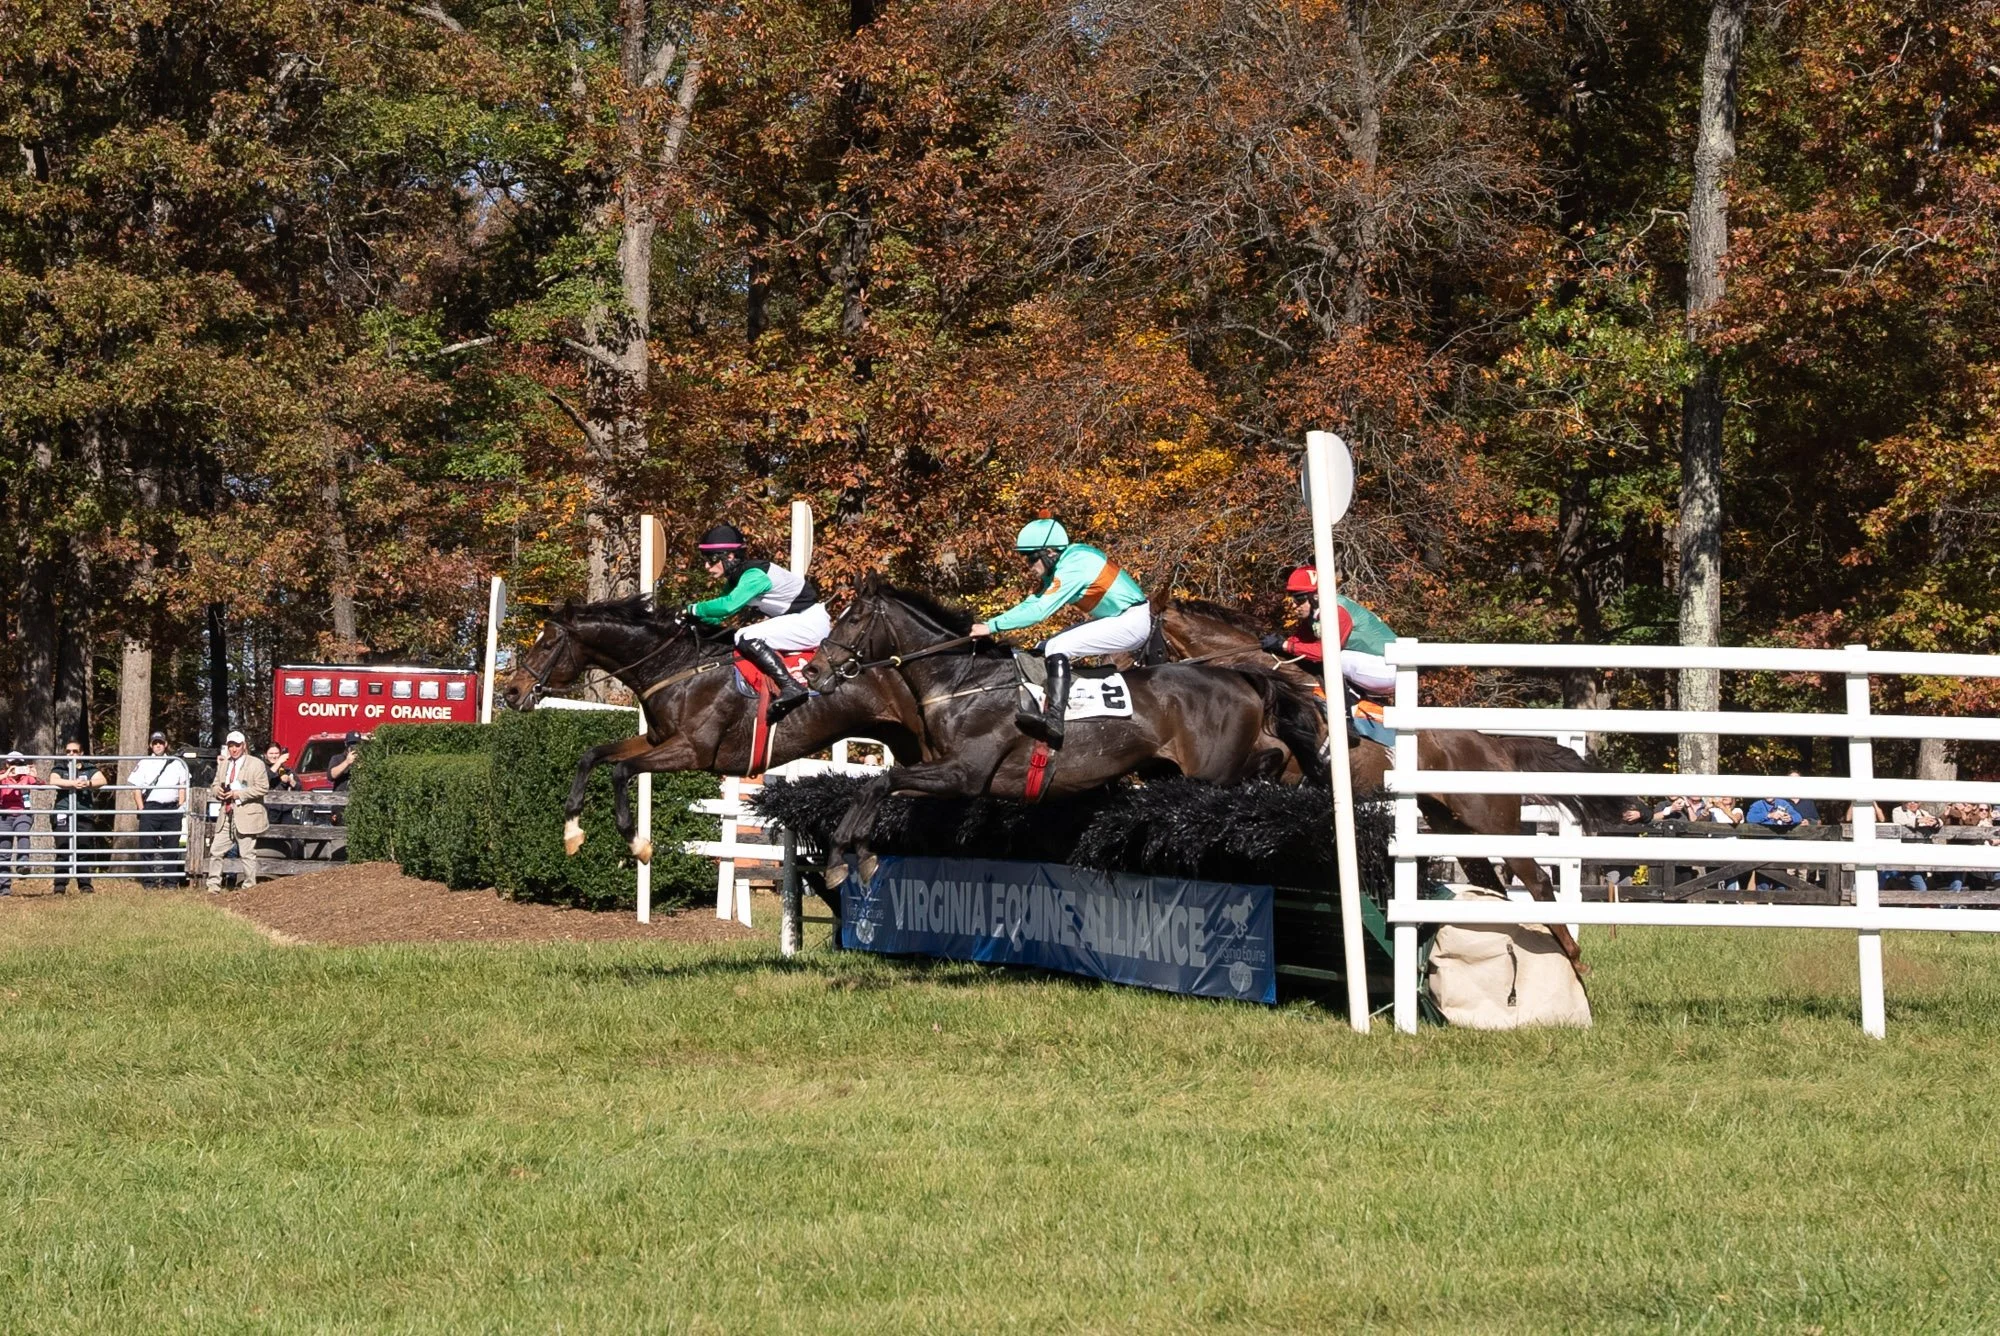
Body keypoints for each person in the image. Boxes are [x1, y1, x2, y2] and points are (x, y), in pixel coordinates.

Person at [968, 518, 1151, 745]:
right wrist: (990, 622)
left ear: (1050, 552)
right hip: (1119, 618)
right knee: (1043, 647)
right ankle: (1046, 702)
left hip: (1131, 621)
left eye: (1032, 557)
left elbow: (1039, 611)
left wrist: (992, 627)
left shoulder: (1075, 564)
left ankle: (1055, 719)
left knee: (1057, 647)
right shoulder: (1065, 560)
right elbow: (1031, 602)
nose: (1028, 563)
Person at [685, 523, 830, 719]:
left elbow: (728, 605)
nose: (707, 566)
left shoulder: (754, 575)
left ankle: (790, 686)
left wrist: (693, 608)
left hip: (810, 622)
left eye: (711, 560)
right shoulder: (736, 578)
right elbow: (719, 615)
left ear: (729, 556)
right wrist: (689, 619)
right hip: (798, 620)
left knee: (745, 635)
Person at [1258, 566, 1397, 697]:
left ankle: (1348, 704)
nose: (1294, 605)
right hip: (1370, 664)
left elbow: (1323, 653)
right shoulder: (1314, 614)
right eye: (1293, 598)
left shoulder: (1336, 610)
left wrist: (1284, 645)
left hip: (1388, 669)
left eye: (1299, 599)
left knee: (1331, 658)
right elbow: (1298, 641)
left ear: (1316, 597)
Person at [205, 730, 270, 892]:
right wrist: (217, 791)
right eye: (231, 746)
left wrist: (238, 794)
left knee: (247, 853)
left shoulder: (256, 764)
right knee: (215, 851)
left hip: (245, 814)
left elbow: (263, 788)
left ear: (244, 746)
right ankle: (213, 887)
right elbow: (214, 785)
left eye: (237, 746)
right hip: (226, 813)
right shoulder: (224, 764)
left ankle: (249, 887)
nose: (234, 749)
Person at [48, 738, 113, 893]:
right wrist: (72, 783)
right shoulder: (60, 766)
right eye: (68, 751)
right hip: (63, 812)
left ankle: (85, 885)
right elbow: (53, 780)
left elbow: (102, 780)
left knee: (83, 849)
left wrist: (88, 784)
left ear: (81, 753)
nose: (71, 754)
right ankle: (59, 886)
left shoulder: (88, 767)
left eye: (75, 751)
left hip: (83, 814)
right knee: (63, 848)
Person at [129, 732, 191, 887]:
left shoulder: (176, 763)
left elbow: (182, 786)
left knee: (172, 847)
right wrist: (142, 809)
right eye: (155, 743)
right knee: (147, 846)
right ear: (150, 745)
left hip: (171, 809)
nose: (158, 745)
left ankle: (170, 882)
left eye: (161, 743)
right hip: (151, 807)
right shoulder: (143, 763)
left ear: (166, 745)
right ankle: (149, 883)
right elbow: (136, 788)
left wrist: (180, 806)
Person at [0, 752, 34, 896]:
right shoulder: (2, 775)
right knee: (4, 851)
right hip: (4, 815)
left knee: (23, 833)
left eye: (19, 764)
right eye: (12, 763)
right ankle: (4, 888)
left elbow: (43, 785)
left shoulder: (27, 777)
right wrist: (6, 774)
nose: (16, 767)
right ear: (7, 764)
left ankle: (23, 864)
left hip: (22, 812)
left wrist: (34, 775)